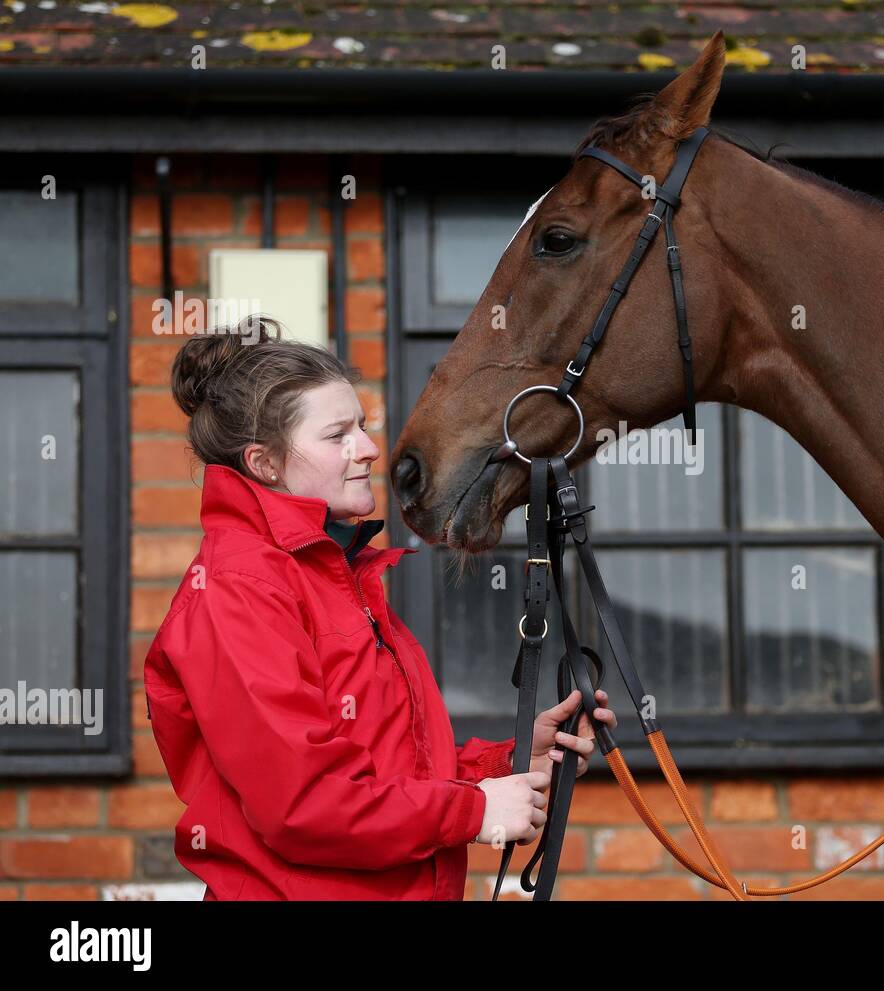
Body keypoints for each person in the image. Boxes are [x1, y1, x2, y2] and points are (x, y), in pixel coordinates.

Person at [143, 315, 615, 900]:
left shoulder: (331, 571)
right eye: (336, 434)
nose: (368, 449)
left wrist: (509, 762)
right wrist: (473, 811)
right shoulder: (238, 592)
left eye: (362, 428)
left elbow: (389, 770)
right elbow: (304, 805)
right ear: (265, 465)